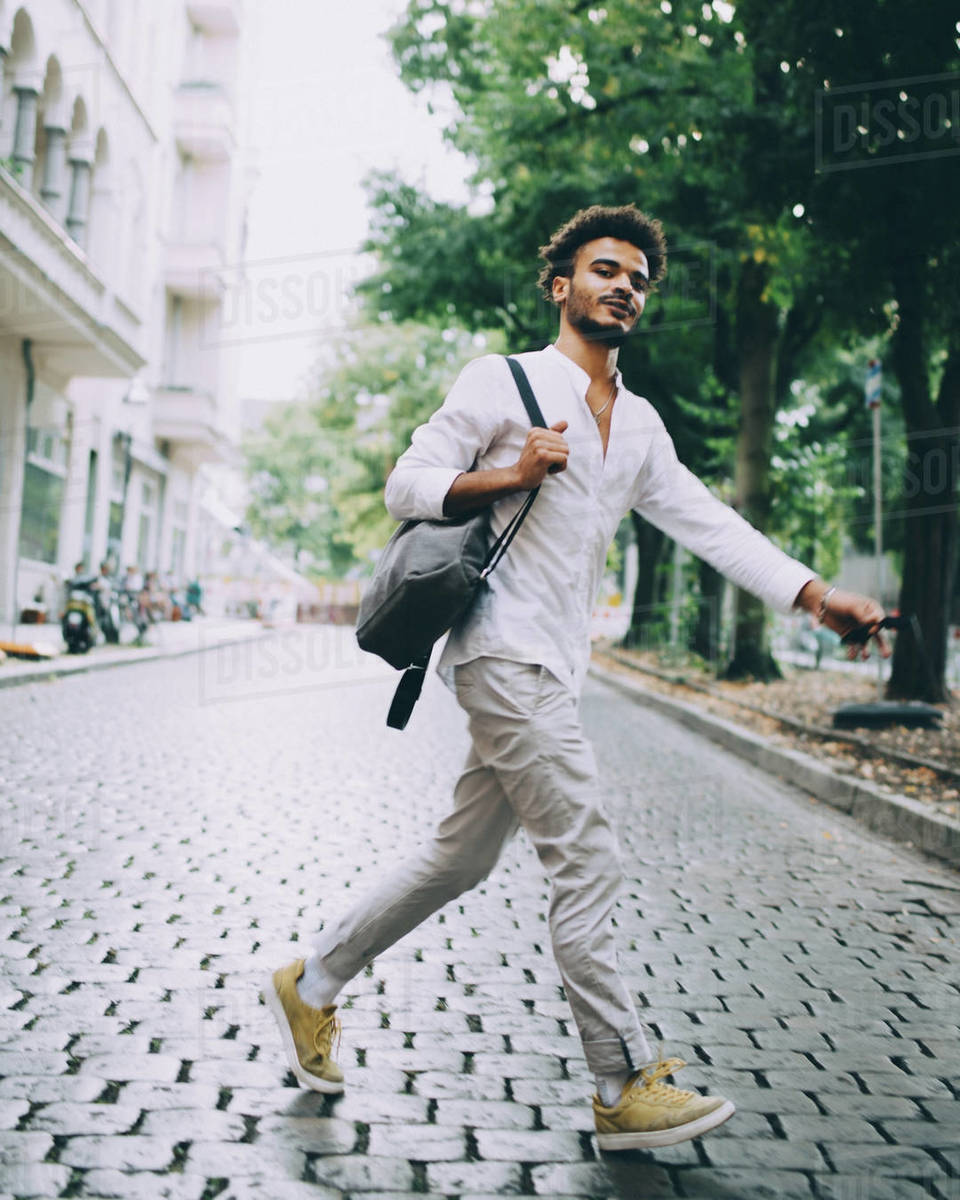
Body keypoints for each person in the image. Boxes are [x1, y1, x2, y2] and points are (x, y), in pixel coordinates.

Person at [263, 205, 888, 1151]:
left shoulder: (636, 425)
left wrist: (814, 593)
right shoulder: (504, 380)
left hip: (556, 667)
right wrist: (508, 472)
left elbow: (710, 523)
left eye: (638, 278)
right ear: (563, 286)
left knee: (461, 858)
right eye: (605, 270)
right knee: (586, 853)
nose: (624, 287)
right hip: (500, 656)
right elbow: (407, 483)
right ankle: (622, 1078)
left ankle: (311, 984)